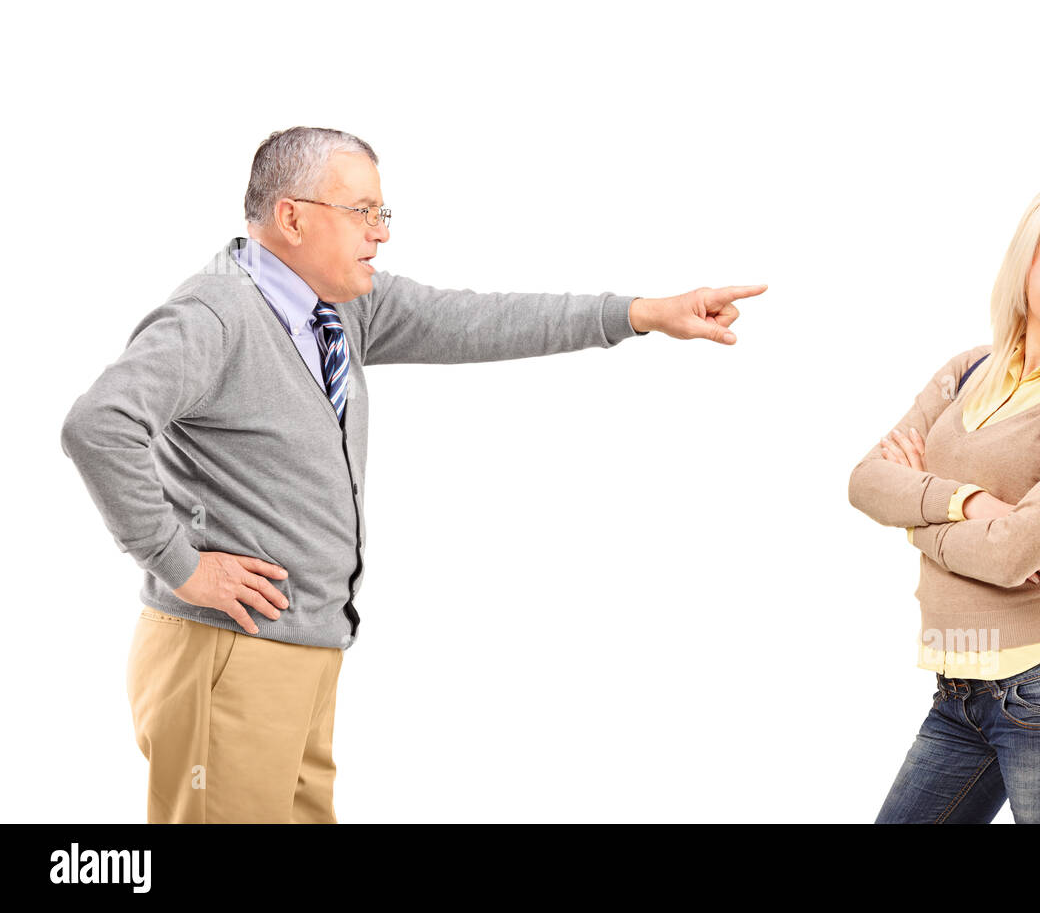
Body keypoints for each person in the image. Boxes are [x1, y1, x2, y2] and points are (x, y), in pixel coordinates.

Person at [60, 125, 767, 823]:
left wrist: (643, 314)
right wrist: (177, 562)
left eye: (382, 213)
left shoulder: (341, 308)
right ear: (292, 217)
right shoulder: (217, 313)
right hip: (230, 655)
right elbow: (99, 424)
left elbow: (478, 322)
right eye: (363, 212)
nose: (382, 232)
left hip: (305, 651)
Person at [847, 186, 1040, 823]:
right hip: (958, 694)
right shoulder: (967, 371)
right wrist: (972, 503)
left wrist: (914, 518)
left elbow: (1013, 554)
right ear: (1024, 269)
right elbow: (865, 483)